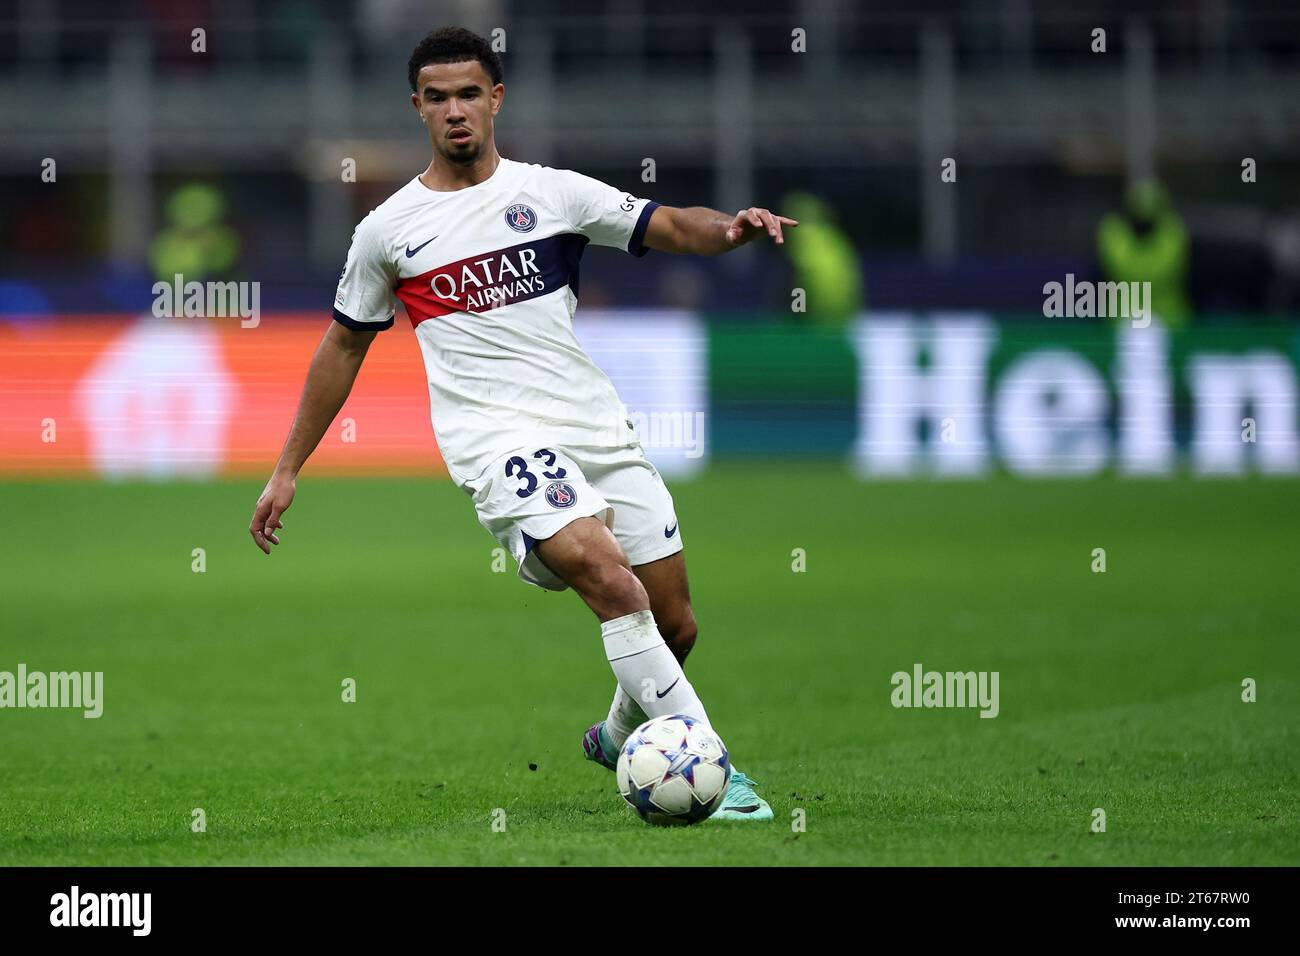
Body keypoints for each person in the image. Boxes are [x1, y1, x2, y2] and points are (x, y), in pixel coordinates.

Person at [248, 26, 797, 820]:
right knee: (609, 579)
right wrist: (288, 467)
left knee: (673, 623)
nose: (456, 111)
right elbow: (342, 345)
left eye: (469, 93)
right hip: (495, 442)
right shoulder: (388, 232)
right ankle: (713, 767)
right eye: (437, 98)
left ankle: (616, 735)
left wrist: (731, 229)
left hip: (594, 427)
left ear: (496, 99)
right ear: (418, 109)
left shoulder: (554, 194)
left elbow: (672, 224)